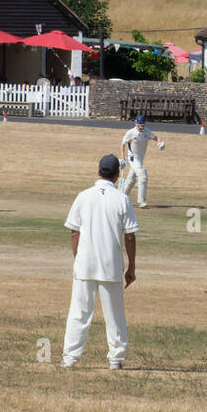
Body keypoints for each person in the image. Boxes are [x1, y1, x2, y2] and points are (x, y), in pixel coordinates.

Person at [61, 154, 138, 370]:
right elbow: (129, 236)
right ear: (116, 176)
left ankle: (70, 358)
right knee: (114, 314)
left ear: (98, 172)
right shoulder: (122, 199)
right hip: (111, 265)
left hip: (85, 264)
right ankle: (116, 359)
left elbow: (74, 232)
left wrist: (78, 258)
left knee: (79, 312)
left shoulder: (83, 196)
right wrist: (131, 267)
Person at [119, 115, 164, 207]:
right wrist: (123, 158)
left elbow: (155, 137)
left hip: (140, 159)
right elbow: (122, 144)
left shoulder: (147, 132)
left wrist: (160, 143)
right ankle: (142, 201)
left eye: (143, 124)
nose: (141, 126)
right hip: (132, 158)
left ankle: (121, 197)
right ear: (136, 123)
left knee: (131, 179)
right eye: (139, 124)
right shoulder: (131, 132)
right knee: (142, 175)